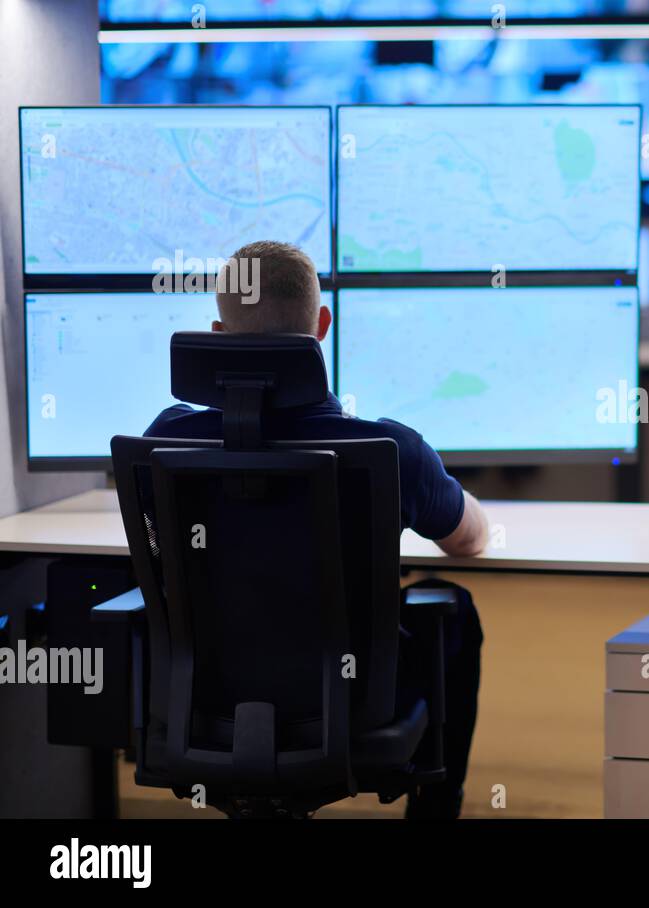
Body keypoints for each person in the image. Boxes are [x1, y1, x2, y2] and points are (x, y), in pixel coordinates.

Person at [145, 240, 488, 819]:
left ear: (218, 332)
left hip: (205, 703)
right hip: (352, 701)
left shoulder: (163, 443)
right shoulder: (390, 449)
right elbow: (470, 539)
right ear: (321, 325)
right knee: (455, 607)